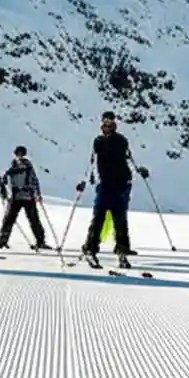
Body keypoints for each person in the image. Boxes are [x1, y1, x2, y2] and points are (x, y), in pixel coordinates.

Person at [77, 111, 149, 265]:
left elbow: (128, 158)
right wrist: (85, 179)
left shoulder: (117, 140)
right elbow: (93, 162)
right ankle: (95, 248)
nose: (108, 124)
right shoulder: (102, 141)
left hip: (117, 184)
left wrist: (138, 170)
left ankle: (116, 250)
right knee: (104, 218)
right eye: (106, 121)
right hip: (109, 184)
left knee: (115, 219)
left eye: (110, 121)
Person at [0, 145, 52, 250]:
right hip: (18, 197)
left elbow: (34, 180)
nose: (20, 156)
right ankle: (3, 241)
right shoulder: (14, 166)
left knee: (33, 220)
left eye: (21, 154)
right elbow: (5, 181)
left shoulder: (25, 166)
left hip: (26, 197)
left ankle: (40, 241)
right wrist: (4, 191)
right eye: (18, 153)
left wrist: (38, 193)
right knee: (10, 220)